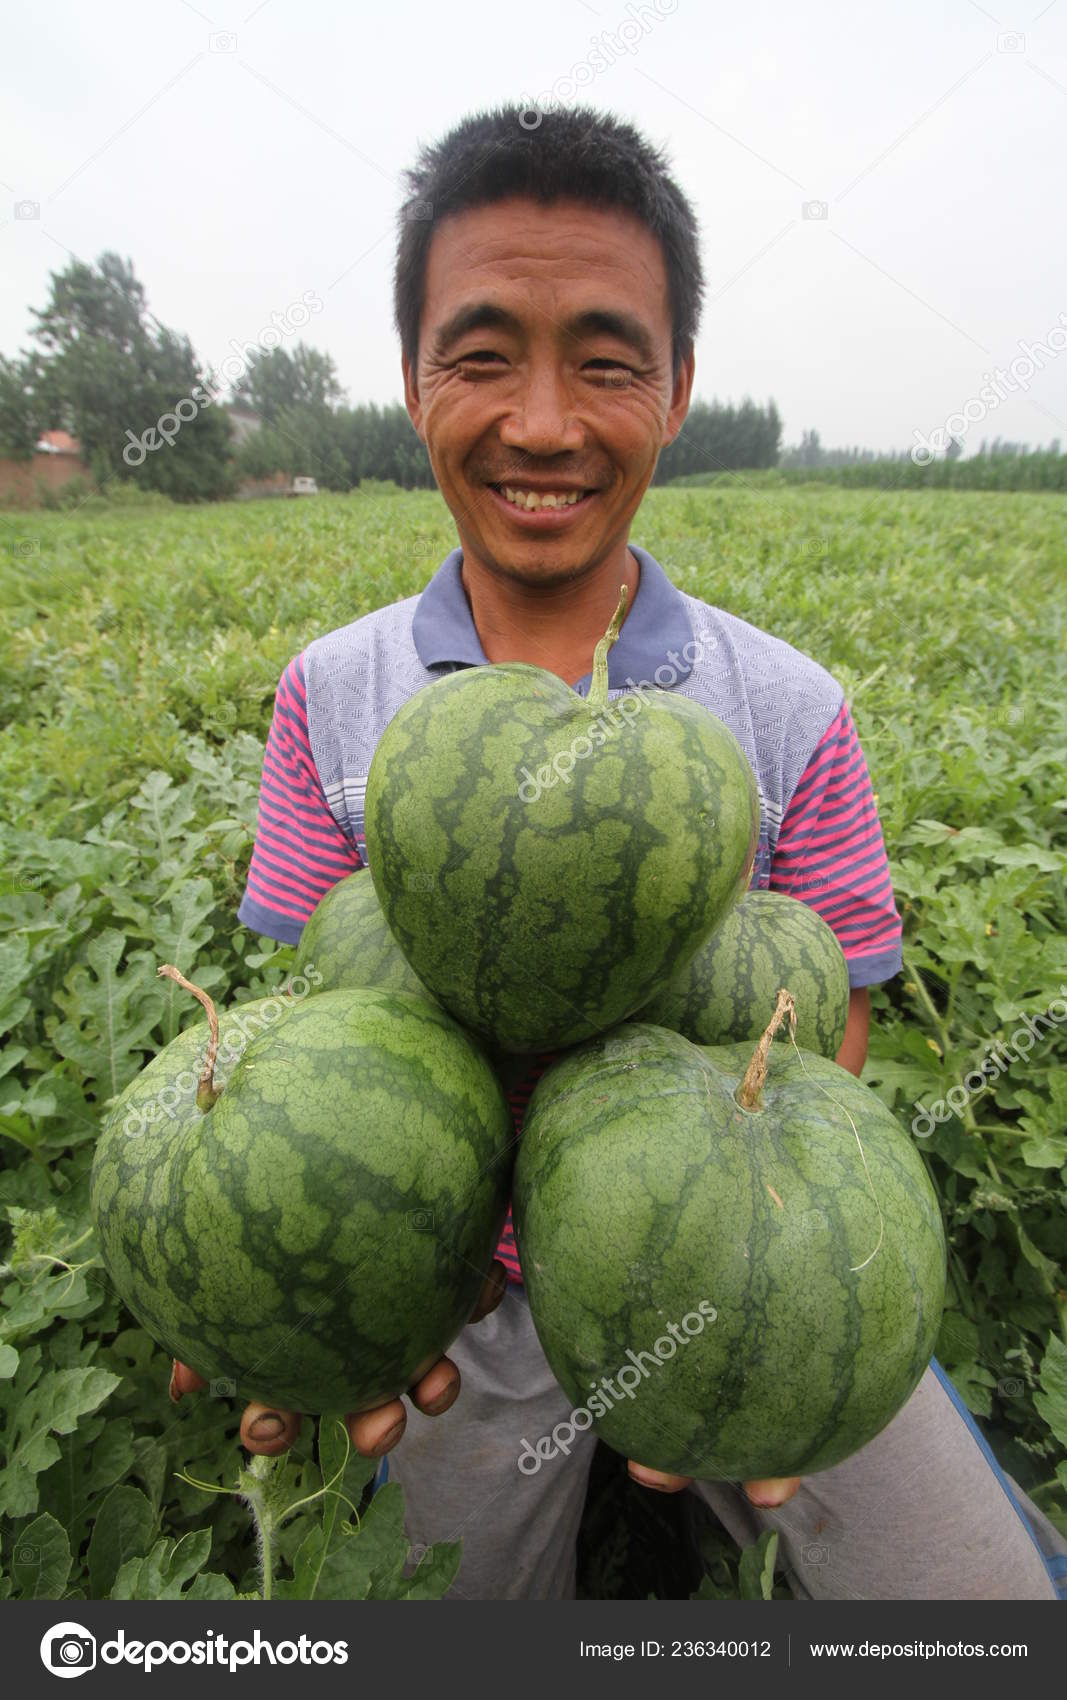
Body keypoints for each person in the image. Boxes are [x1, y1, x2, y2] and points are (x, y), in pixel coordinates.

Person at [171, 103, 1067, 1602]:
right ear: (411, 384)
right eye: (481, 356)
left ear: (677, 387)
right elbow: (305, 1029)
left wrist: (721, 1296)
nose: (541, 422)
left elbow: (821, 1026)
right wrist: (263, 1267)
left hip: (728, 1249)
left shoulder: (785, 713)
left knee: (985, 1620)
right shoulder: (333, 700)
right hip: (452, 1282)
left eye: (603, 361)